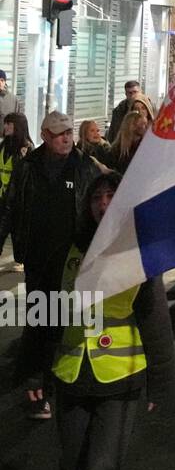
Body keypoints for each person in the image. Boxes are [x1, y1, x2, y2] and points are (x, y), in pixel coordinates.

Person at [19, 171, 174, 470]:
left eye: (111, 197)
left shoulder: (137, 254)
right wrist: (33, 371)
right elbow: (43, 314)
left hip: (120, 378)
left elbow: (154, 319)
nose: (103, 204)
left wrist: (160, 382)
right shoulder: (67, 250)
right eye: (96, 198)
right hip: (70, 375)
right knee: (72, 467)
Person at [8, 112, 106, 418]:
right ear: (45, 135)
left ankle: (60, 381)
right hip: (38, 259)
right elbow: (10, 208)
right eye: (59, 133)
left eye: (69, 132)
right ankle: (37, 386)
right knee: (39, 323)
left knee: (65, 323)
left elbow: (100, 207)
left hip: (73, 261)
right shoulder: (28, 168)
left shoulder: (85, 167)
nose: (66, 138)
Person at [0, 112, 35, 260]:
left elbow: (28, 178)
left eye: (9, 124)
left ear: (18, 126)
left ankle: (22, 261)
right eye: (5, 123)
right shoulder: (3, 145)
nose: (5, 126)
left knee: (16, 235)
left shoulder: (27, 148)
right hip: (2, 197)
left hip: (16, 201)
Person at [105, 110, 149, 174]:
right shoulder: (115, 151)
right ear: (132, 126)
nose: (147, 127)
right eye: (143, 124)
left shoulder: (145, 147)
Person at [106, 80, 143, 144]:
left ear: (141, 92)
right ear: (126, 94)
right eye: (130, 93)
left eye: (135, 92)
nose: (133, 95)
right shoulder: (118, 111)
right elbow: (112, 133)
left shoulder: (148, 108)